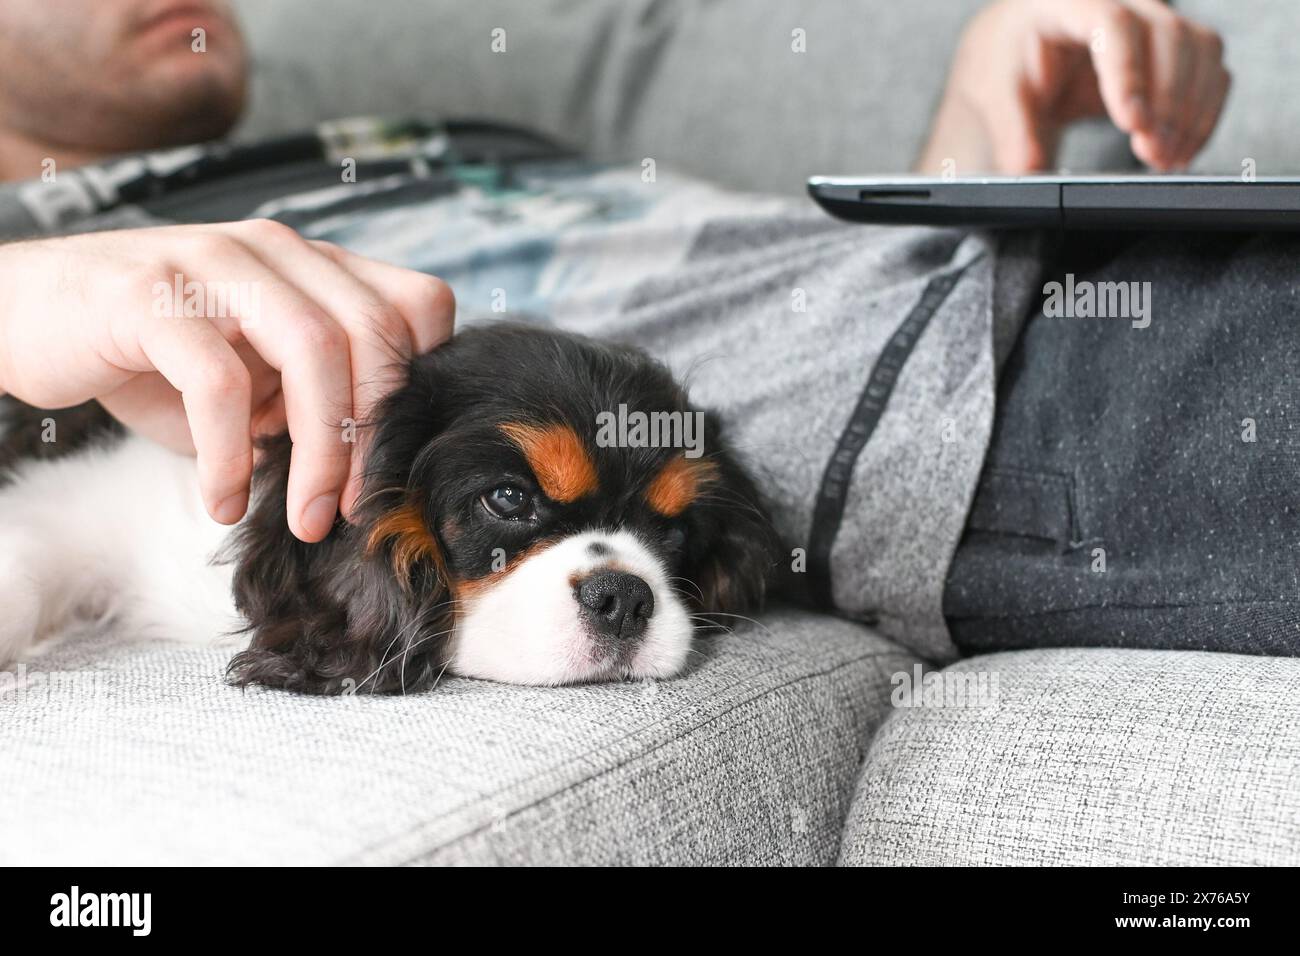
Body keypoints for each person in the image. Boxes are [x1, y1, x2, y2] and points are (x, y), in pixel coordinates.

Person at [0, 0, 1229, 544]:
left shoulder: (405, 133)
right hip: (975, 414)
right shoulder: (54, 287)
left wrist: (982, 101)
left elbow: (823, 292)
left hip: (977, 322)